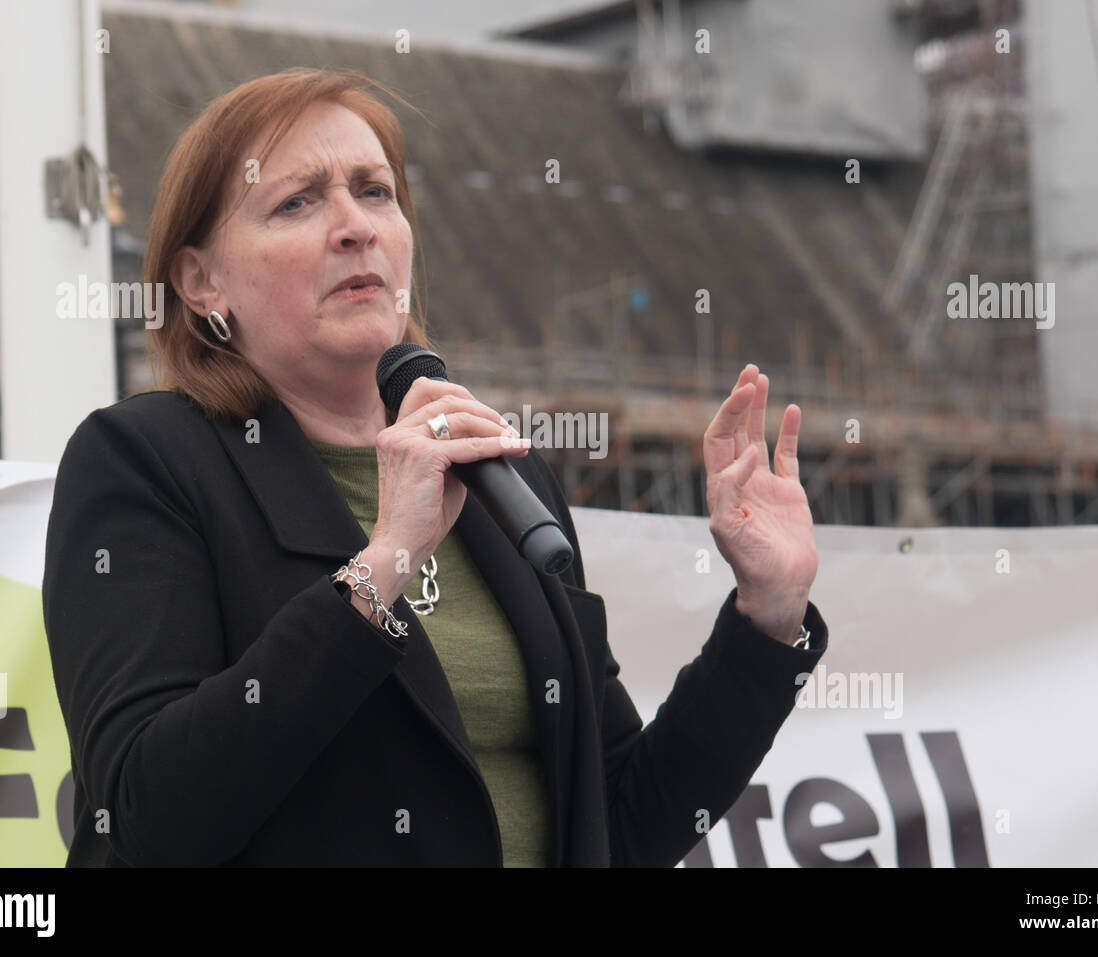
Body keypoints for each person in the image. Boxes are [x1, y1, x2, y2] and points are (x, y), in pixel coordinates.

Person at [42, 67, 828, 867]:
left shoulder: (496, 476)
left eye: (375, 192)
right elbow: (143, 816)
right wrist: (383, 563)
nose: (356, 227)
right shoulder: (146, 464)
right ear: (202, 282)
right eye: (297, 202)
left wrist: (767, 615)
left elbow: (621, 822)